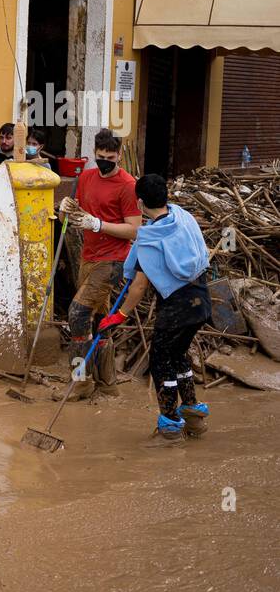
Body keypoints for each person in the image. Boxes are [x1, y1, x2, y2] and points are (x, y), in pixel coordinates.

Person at [100, 174, 212, 442]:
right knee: (178, 355)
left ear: (139, 203)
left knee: (161, 360)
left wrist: (119, 315)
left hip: (176, 309)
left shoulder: (148, 240)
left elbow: (138, 286)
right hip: (201, 301)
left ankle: (171, 424)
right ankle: (193, 416)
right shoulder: (183, 217)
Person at [58, 128, 141, 399]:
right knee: (100, 321)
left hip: (113, 260)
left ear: (119, 155)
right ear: (94, 153)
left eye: (110, 157)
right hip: (88, 257)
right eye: (100, 156)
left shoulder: (127, 185)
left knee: (77, 314)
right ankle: (108, 384)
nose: (105, 161)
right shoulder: (88, 177)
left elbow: (134, 231)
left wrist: (99, 224)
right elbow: (73, 217)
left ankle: (79, 381)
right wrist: (65, 211)